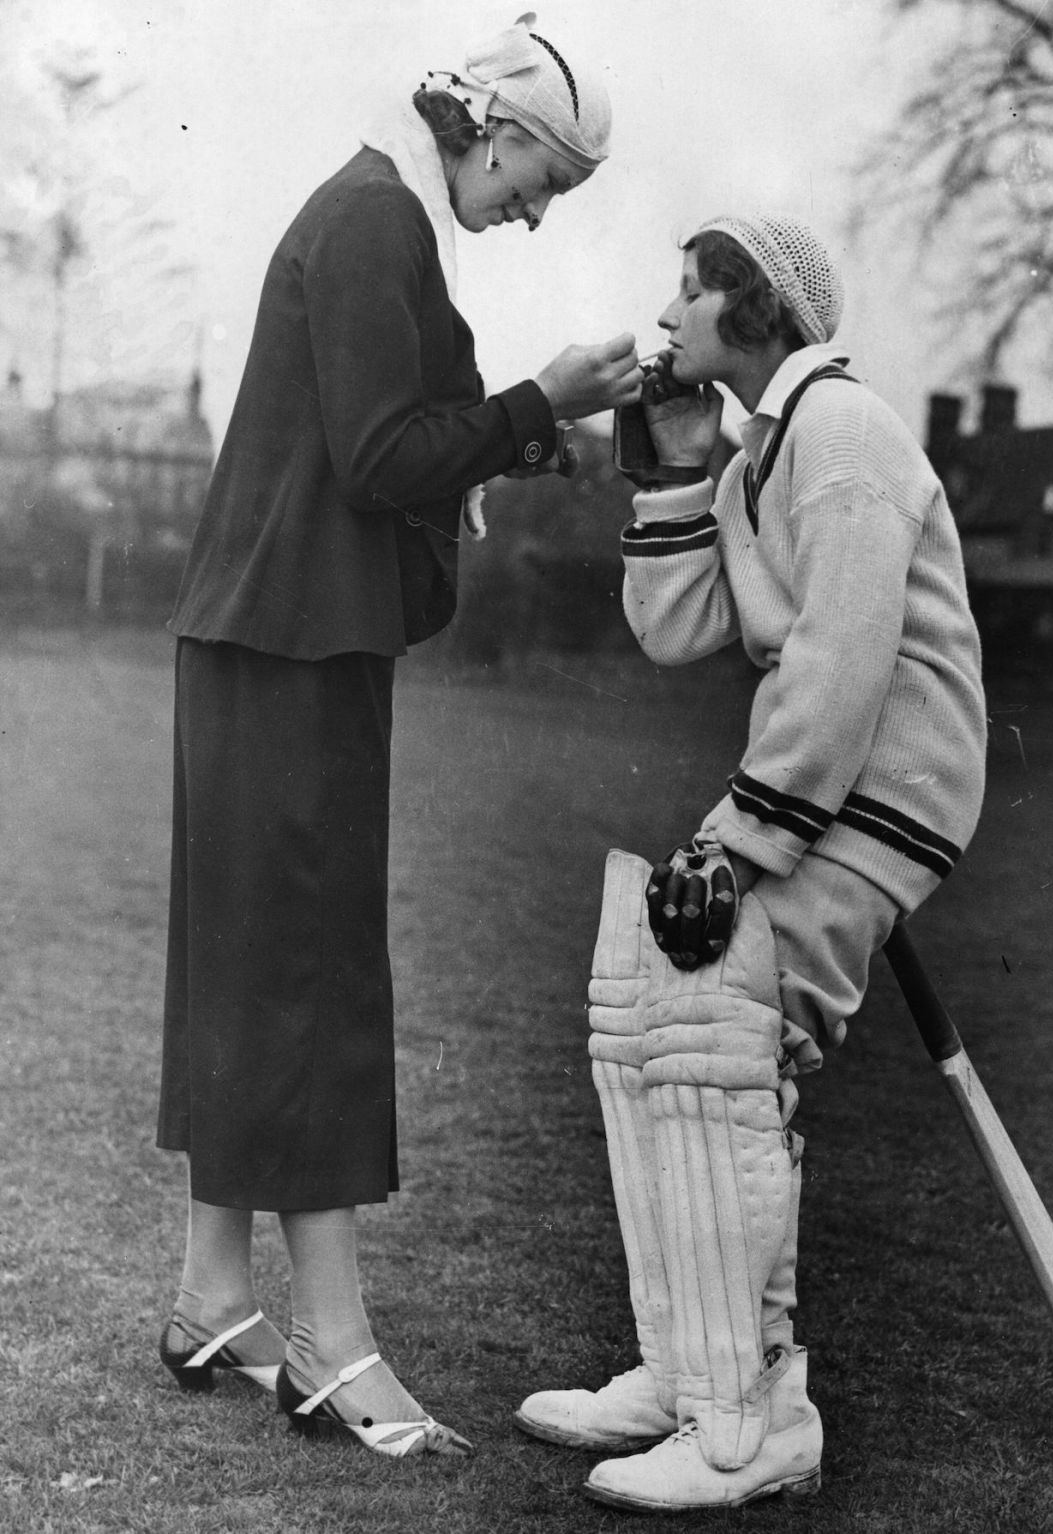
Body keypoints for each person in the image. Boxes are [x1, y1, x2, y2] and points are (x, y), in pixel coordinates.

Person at [156, 12, 643, 1461]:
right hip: (292, 644)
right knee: (307, 977)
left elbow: (396, 437)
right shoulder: (377, 220)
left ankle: (212, 1297)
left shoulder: (380, 216)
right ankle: (333, 1343)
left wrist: (519, 438)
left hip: (274, 639)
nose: (535, 206)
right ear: (489, 131)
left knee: (260, 965)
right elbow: (382, 458)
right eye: (539, 176)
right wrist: (535, 406)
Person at [515, 214, 988, 1509]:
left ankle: (749, 1421)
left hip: (886, 783)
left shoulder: (841, 436)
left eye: (690, 293)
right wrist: (670, 478)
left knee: (722, 1026)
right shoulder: (748, 463)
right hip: (818, 783)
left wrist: (744, 841)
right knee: (640, 1003)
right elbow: (678, 631)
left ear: (761, 311)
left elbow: (837, 667)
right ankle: (691, 1371)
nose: (666, 316)